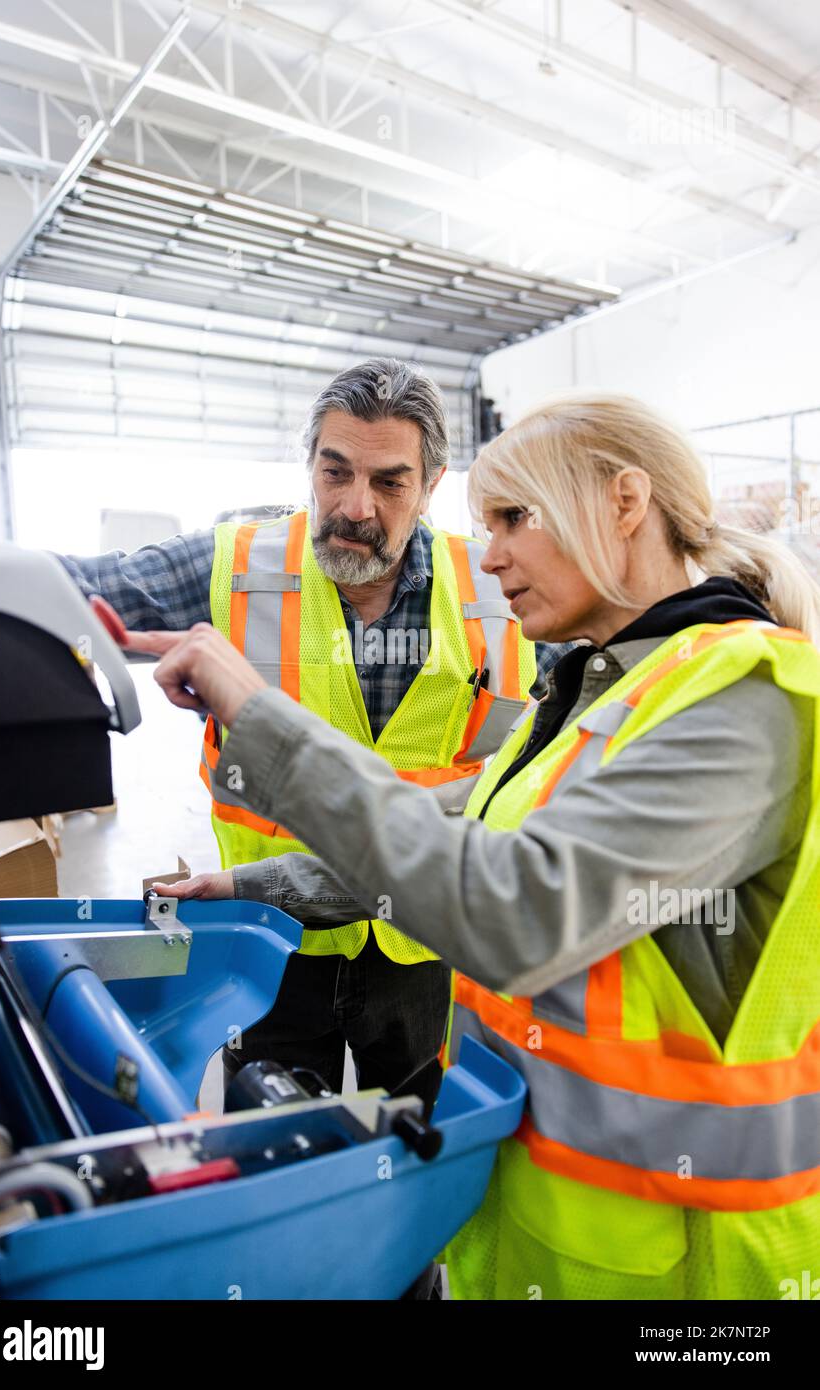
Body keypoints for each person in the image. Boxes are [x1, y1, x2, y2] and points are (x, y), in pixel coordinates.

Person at [137, 392, 820, 1300]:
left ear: (623, 503)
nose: (488, 556)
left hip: (677, 1268)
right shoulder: (596, 687)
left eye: (512, 519)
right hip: (546, 1229)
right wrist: (253, 883)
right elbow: (463, 820)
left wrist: (255, 713)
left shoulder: (745, 702)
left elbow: (515, 908)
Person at [59, 358, 554, 1116]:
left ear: (431, 483)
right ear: (309, 466)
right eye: (335, 472)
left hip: (420, 947)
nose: (354, 507)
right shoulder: (234, 566)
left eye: (389, 482)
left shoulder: (499, 587)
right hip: (267, 938)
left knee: (420, 1134)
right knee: (272, 1137)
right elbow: (72, 594)